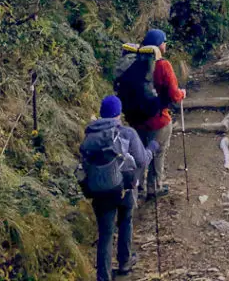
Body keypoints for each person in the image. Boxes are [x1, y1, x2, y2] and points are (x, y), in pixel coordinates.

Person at [79, 95, 157, 280]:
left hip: (99, 191)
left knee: (105, 235)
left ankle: (103, 277)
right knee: (125, 221)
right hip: (124, 188)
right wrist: (152, 148)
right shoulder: (127, 133)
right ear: (118, 113)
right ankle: (124, 262)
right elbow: (142, 160)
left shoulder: (91, 135)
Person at [132, 29, 185, 199]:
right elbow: (174, 95)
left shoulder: (133, 62)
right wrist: (182, 94)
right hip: (158, 119)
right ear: (158, 44)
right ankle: (154, 188)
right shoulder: (163, 65)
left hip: (136, 118)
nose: (165, 44)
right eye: (164, 41)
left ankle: (137, 188)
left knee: (139, 152)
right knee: (158, 152)